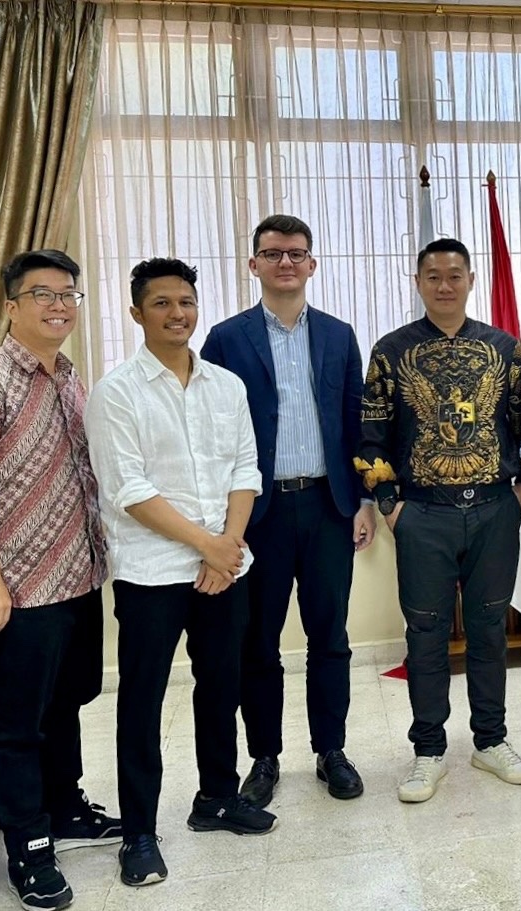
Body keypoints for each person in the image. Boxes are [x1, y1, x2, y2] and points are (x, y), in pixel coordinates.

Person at [0, 249, 120, 911]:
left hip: (78, 574)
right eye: (41, 293)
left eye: (68, 294)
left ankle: (66, 806)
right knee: (17, 722)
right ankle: (27, 845)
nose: (58, 305)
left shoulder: (69, 377)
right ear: (10, 304)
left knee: (67, 700)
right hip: (20, 586)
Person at [85, 258, 273, 889]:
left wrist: (229, 545)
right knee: (141, 701)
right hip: (152, 571)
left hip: (224, 564)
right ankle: (138, 829)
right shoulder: (116, 392)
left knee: (221, 684)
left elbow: (246, 470)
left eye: (186, 302)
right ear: (137, 313)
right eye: (162, 303)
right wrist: (210, 547)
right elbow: (128, 489)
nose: (177, 314)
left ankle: (216, 798)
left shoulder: (226, 385)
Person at [354, 237, 521, 803]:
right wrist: (390, 506)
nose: (444, 285)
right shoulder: (391, 351)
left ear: (470, 280)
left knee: (487, 628)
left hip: (492, 509)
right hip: (423, 513)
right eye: (432, 275)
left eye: (454, 275)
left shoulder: (504, 349)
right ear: (418, 281)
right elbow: (371, 435)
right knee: (426, 633)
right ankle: (428, 750)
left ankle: (491, 741)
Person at [201, 214, 373, 806]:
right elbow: (214, 432)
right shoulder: (225, 339)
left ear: (311, 264)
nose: (285, 264)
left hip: (328, 507)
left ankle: (332, 750)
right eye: (272, 254)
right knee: (259, 642)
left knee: (331, 636)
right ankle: (266, 757)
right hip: (260, 515)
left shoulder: (338, 334)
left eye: (296, 254)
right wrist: (225, 523)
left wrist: (366, 499)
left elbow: (356, 424)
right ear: (254, 265)